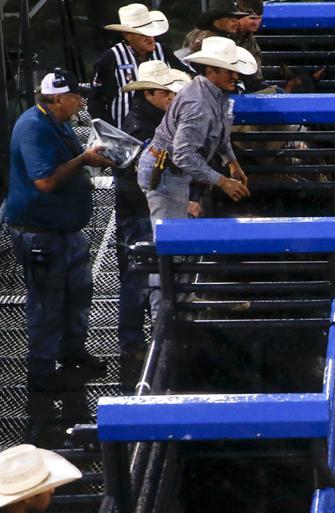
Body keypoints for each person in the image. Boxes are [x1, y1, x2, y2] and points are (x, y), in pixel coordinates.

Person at [5, 70, 112, 392]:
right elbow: (45, 181)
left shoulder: (60, 120)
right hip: (40, 232)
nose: (81, 102)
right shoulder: (34, 128)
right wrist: (84, 160)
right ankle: (41, 372)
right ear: (59, 99)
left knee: (79, 295)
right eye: (76, 97)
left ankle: (72, 352)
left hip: (67, 230)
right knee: (47, 304)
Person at [113, 62, 192, 365]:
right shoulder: (140, 126)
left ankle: (146, 340)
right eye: (166, 93)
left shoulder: (153, 119)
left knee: (149, 275)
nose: (172, 98)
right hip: (140, 208)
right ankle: (134, 344)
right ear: (149, 93)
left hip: (144, 203)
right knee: (140, 276)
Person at [138, 36, 253, 224]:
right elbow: (183, 154)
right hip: (166, 171)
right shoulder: (198, 104)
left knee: (176, 232)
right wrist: (223, 182)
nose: (235, 76)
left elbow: (219, 133)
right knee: (172, 236)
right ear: (211, 71)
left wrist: (232, 162)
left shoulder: (215, 93)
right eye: (229, 71)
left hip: (170, 168)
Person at [91, 3, 191, 129]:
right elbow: (96, 101)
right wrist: (110, 133)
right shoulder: (111, 58)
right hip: (125, 132)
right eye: (143, 34)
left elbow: (190, 75)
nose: (150, 38)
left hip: (165, 127)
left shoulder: (164, 51)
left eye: (151, 33)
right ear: (127, 35)